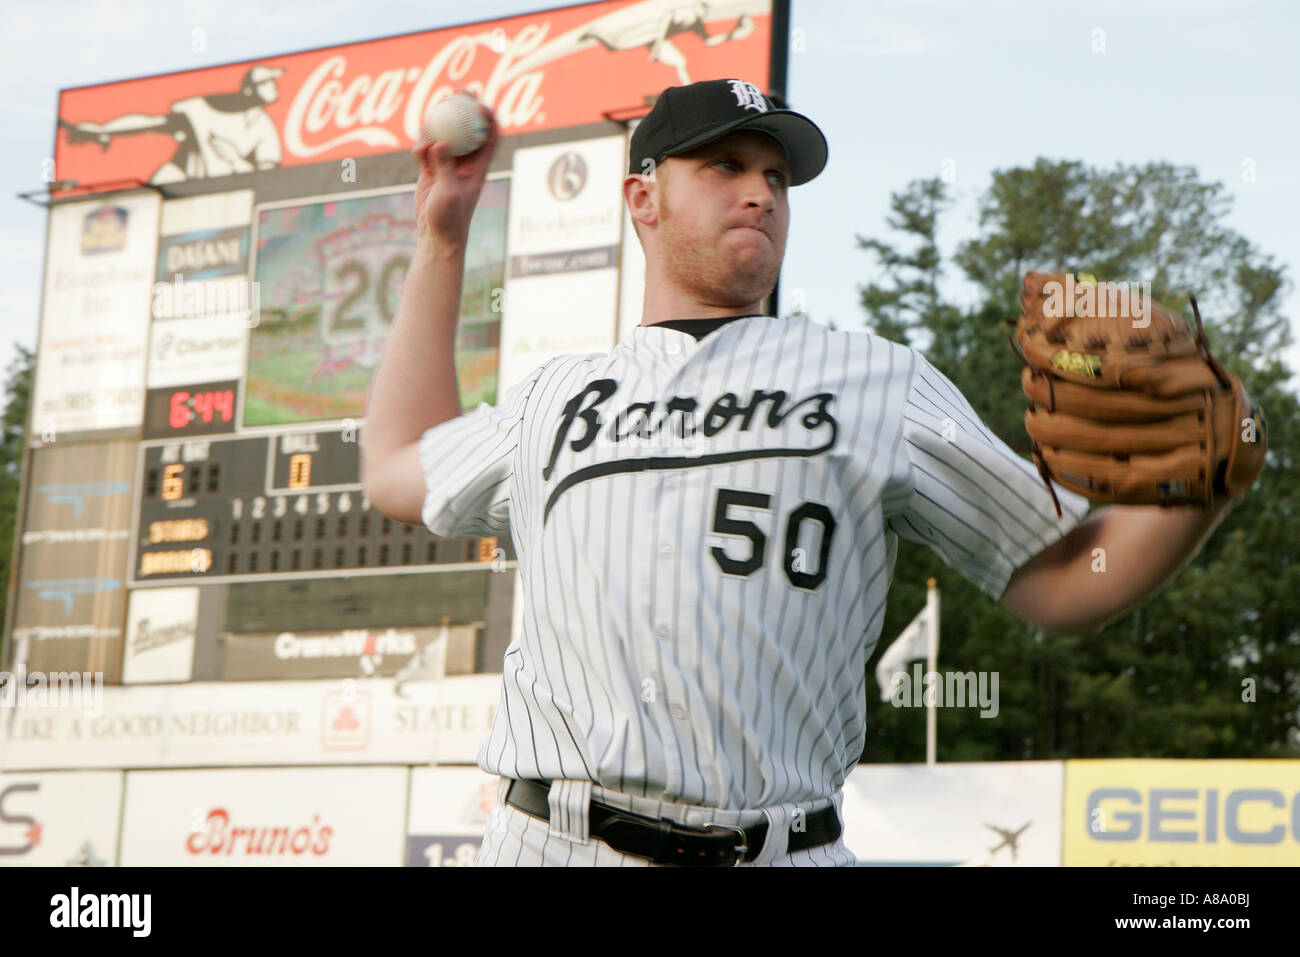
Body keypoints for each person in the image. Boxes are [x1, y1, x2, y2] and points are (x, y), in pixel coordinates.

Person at [362, 79, 1245, 866]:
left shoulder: (877, 379)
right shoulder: (554, 398)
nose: (760, 192)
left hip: (788, 845)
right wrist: (443, 238)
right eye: (725, 165)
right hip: (551, 842)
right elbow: (397, 467)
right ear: (644, 196)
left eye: (778, 178)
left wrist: (1201, 482)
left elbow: (1061, 580)